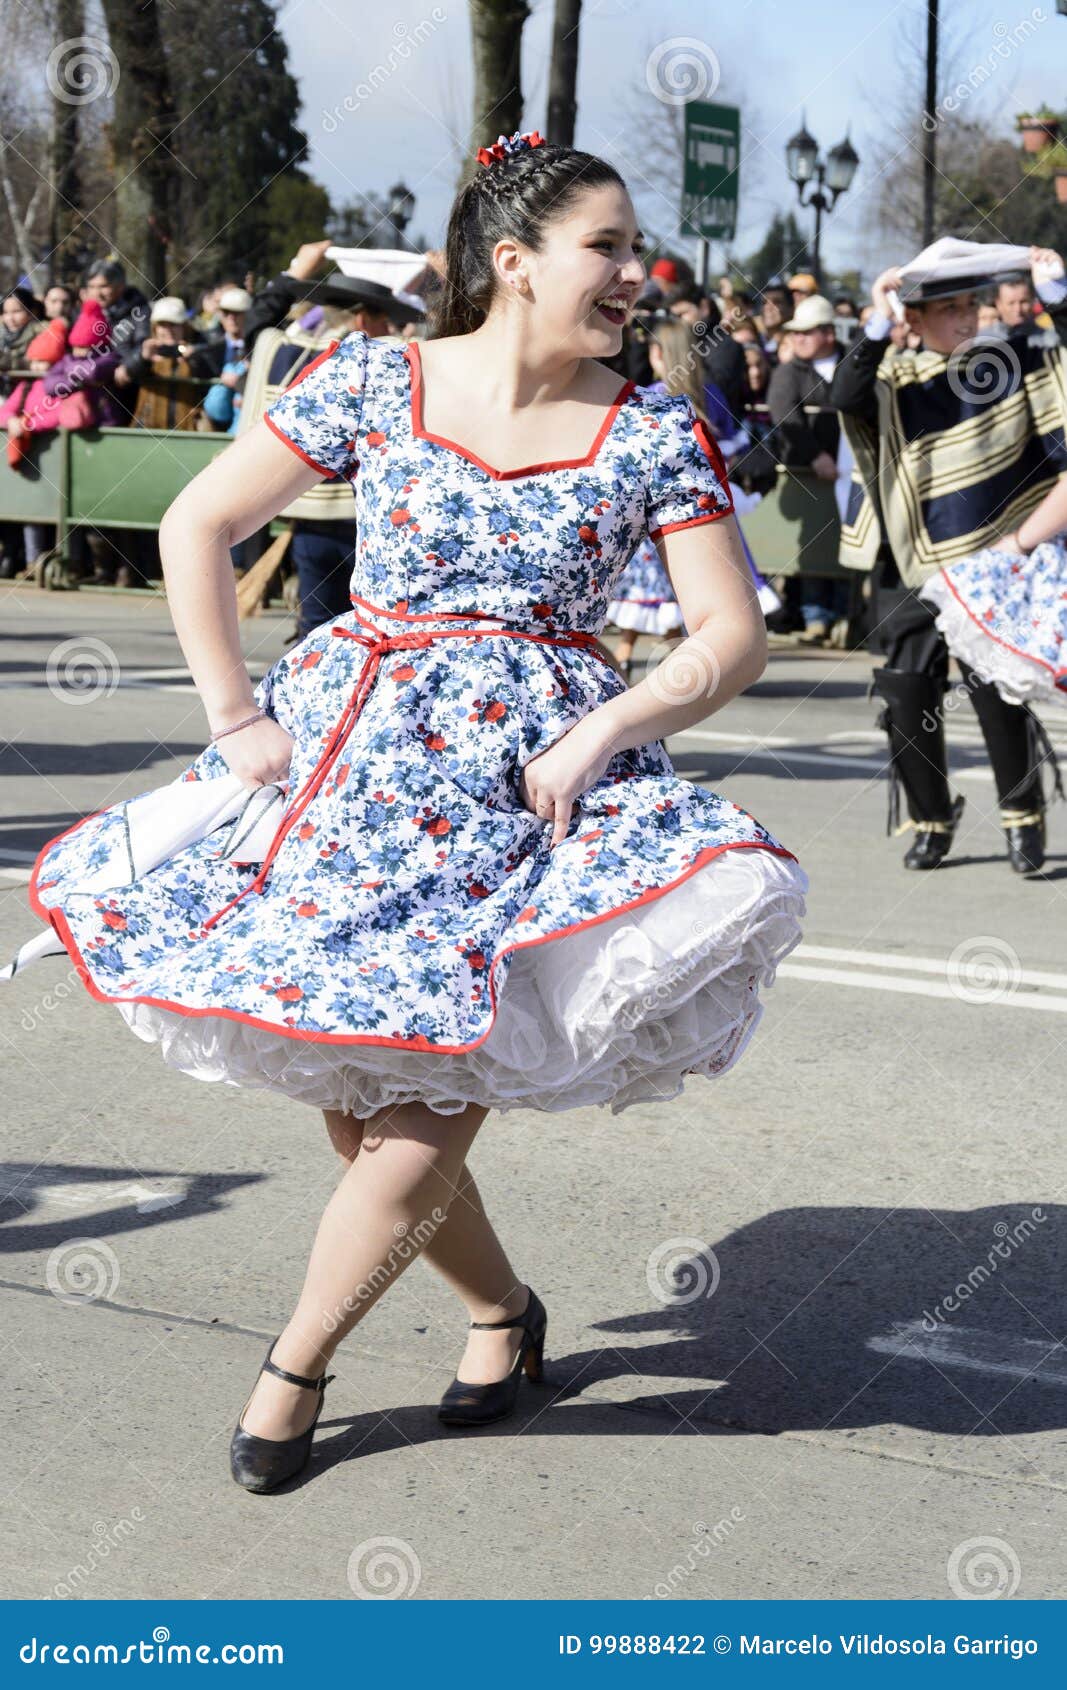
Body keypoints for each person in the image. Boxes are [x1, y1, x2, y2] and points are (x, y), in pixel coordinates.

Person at [3, 130, 806, 1496]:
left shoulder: (649, 428)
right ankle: (502, 1310)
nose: (636, 274)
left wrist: (604, 726)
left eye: (634, 249)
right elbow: (194, 524)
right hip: (350, 780)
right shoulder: (375, 377)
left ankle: (293, 1368)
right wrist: (233, 716)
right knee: (363, 1107)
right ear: (514, 261)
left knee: (424, 1104)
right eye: (605, 248)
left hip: (526, 804)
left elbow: (730, 638)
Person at [831, 238, 1067, 873]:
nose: (967, 318)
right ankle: (932, 819)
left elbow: (1062, 361)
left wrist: (1057, 298)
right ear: (914, 318)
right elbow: (844, 394)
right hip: (909, 559)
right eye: (950, 309)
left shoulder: (1011, 360)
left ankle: (1023, 816)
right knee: (906, 693)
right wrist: (876, 321)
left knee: (994, 689)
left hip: (989, 556)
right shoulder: (894, 378)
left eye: (971, 305)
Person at [766, 293, 849, 642]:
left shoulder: (851, 365)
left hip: (852, 472)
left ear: (828, 333)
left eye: (806, 332)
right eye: (795, 332)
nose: (797, 338)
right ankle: (816, 617)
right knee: (814, 544)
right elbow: (784, 415)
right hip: (807, 476)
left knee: (849, 541)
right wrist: (815, 455)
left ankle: (846, 616)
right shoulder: (789, 372)